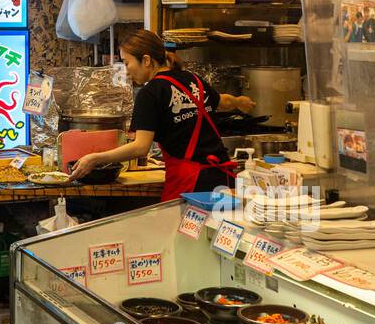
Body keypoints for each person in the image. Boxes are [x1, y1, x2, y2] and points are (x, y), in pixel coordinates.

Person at [69, 30, 255, 200]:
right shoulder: (193, 79)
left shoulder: (149, 93)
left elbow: (140, 147)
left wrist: (94, 158)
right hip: (223, 179)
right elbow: (223, 102)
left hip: (191, 184)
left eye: (127, 63)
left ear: (147, 60)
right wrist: (241, 102)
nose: (126, 71)